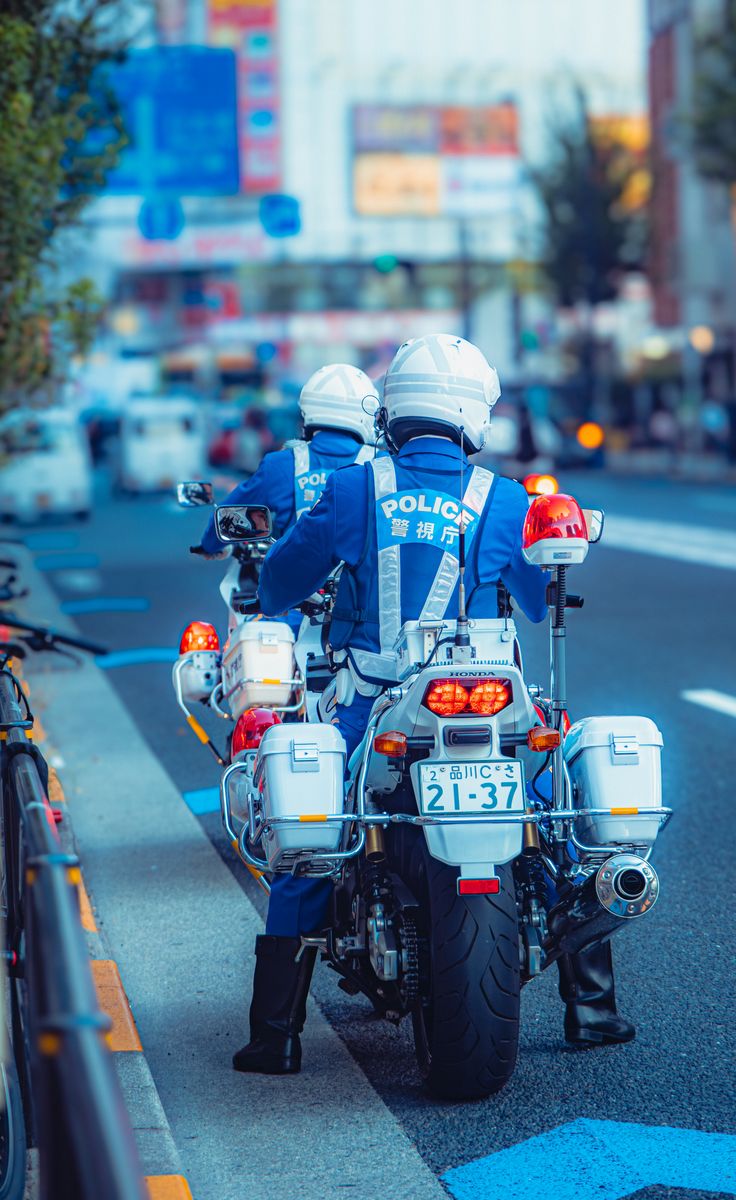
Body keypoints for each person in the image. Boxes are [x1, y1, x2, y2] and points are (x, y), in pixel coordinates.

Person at [232, 334, 631, 1076]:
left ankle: (275, 1034)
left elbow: (281, 585)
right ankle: (592, 1008)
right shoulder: (505, 498)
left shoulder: (352, 488)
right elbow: (538, 611)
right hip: (490, 702)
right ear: (472, 414)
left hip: (374, 705)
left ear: (392, 410)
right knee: (556, 817)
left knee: (316, 836)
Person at [198, 364, 379, 604]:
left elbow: (227, 515)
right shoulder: (381, 465)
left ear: (307, 411)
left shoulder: (282, 463)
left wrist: (210, 545)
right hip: (362, 604)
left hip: (292, 604)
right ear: (368, 413)